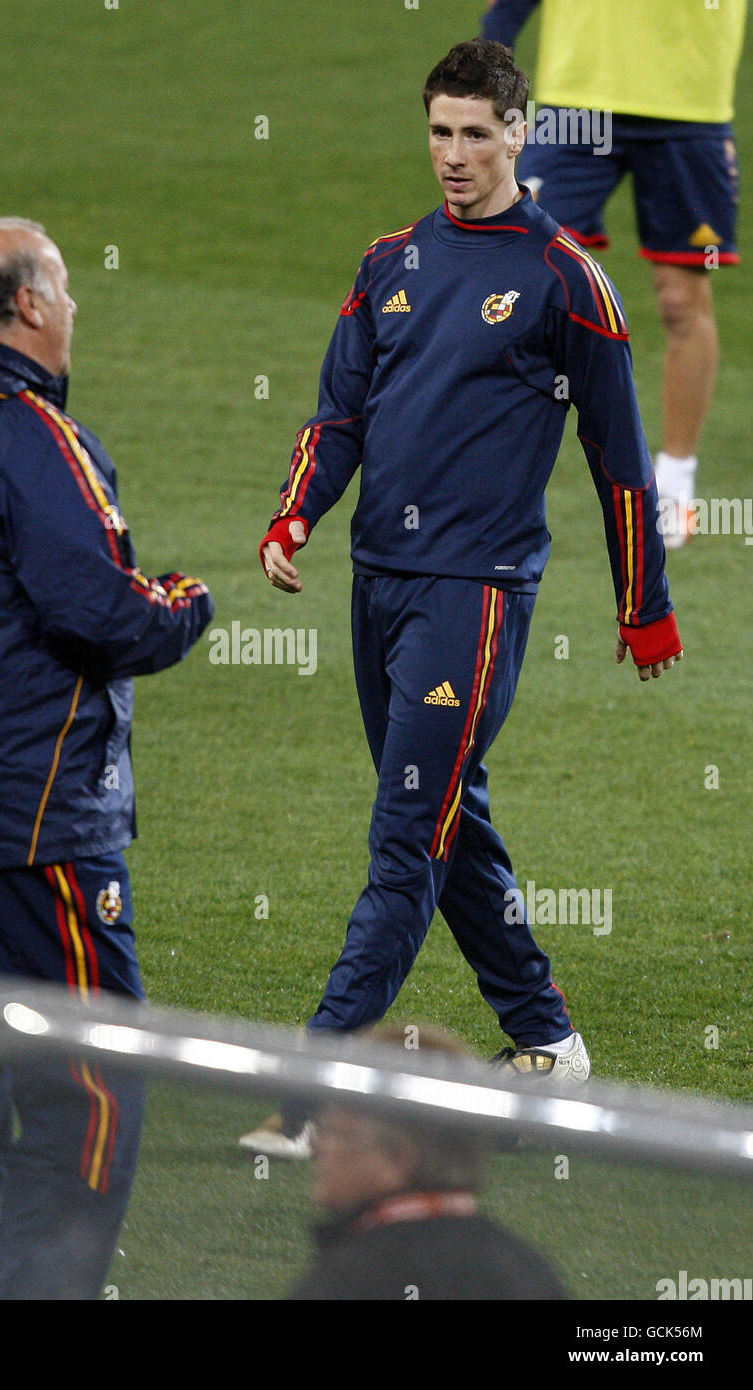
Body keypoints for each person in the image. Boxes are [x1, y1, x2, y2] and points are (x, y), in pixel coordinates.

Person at [240, 40, 682, 1161]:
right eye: (438, 132)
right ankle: (543, 1032)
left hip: (472, 601)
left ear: (520, 136)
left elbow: (620, 461)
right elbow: (338, 414)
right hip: (375, 590)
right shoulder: (387, 261)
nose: (453, 154)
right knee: (446, 818)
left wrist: (644, 605)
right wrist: (296, 516)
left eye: (475, 134)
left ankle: (314, 1089)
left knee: (405, 838)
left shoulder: (565, 277)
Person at [0, 217, 214, 1298]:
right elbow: (106, 610)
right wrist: (189, 604)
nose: (73, 303)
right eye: (62, 284)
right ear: (27, 308)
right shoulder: (29, 436)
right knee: (91, 1080)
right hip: (33, 819)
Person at [481, 0, 745, 545]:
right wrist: (495, 45)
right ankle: (486, 466)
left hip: (689, 106)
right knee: (519, 274)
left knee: (680, 297)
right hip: (576, 98)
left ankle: (675, 481)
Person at [288, 1027, 569, 1300]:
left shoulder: (347, 1281)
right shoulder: (529, 1269)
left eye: (333, 1131)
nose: (316, 1144)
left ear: (396, 1159)